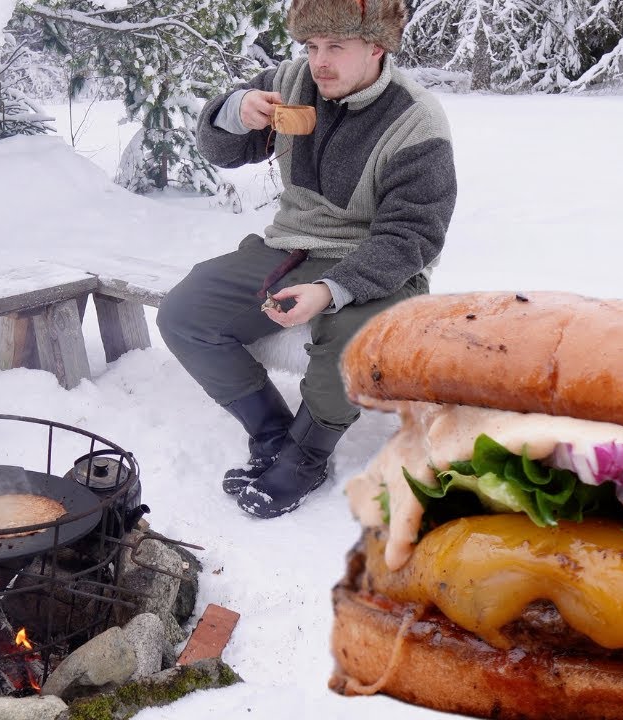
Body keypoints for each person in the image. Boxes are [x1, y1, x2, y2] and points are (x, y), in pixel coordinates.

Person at [156, 0, 457, 519]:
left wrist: (331, 290)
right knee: (185, 314)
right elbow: (222, 151)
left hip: (380, 266)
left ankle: (308, 455)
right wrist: (235, 111)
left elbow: (415, 235)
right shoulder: (293, 83)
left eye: (336, 47)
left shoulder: (416, 118)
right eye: (312, 46)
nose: (319, 62)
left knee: (351, 345)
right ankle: (273, 434)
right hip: (290, 247)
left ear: (376, 46)